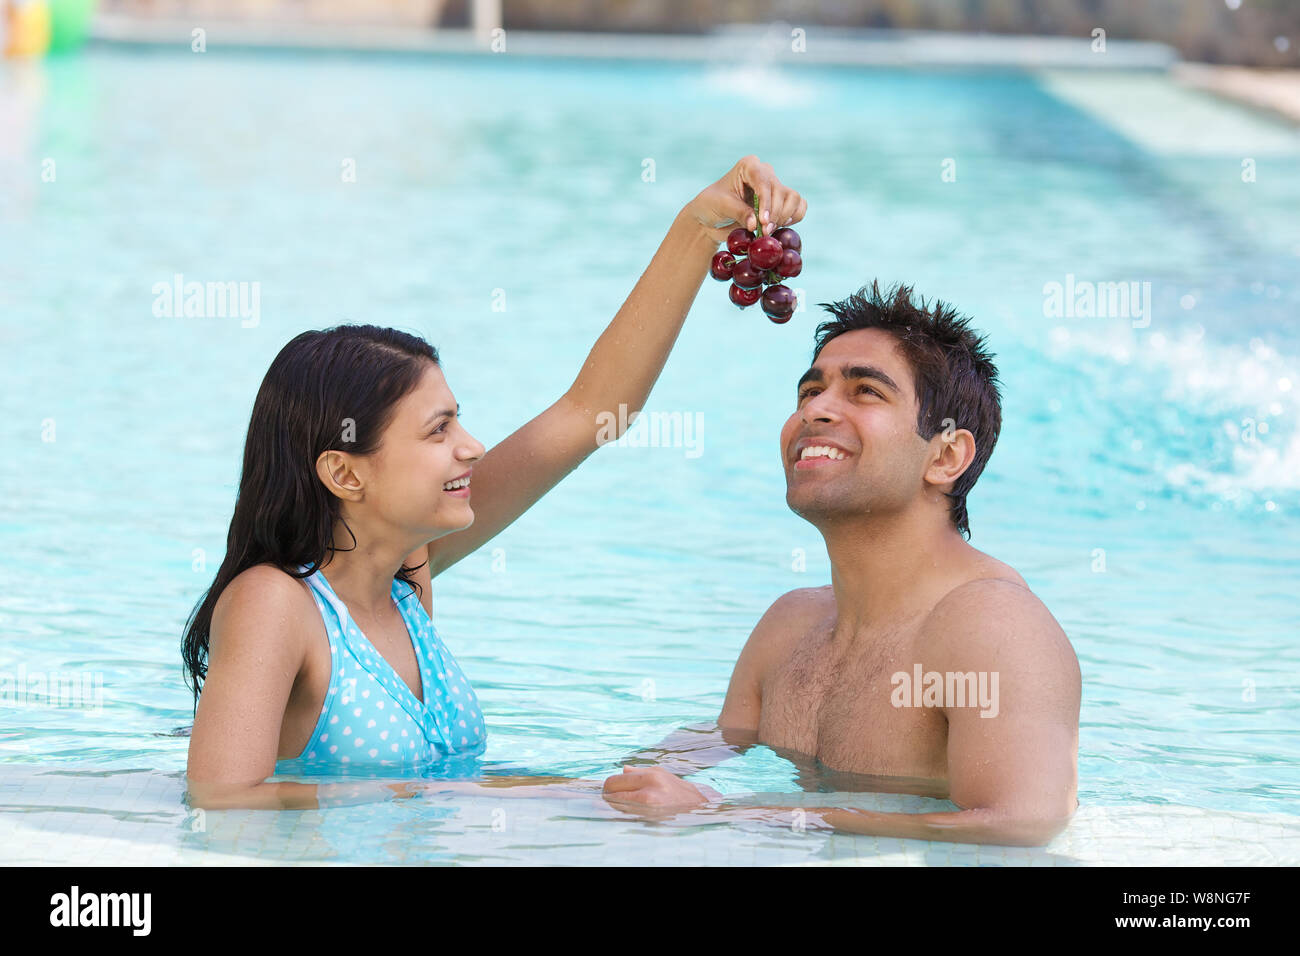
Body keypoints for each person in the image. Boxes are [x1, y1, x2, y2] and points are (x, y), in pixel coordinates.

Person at [182, 156, 807, 810]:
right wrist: (496, 799)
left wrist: (698, 228)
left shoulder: (405, 582)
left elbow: (592, 411)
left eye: (461, 421)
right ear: (344, 470)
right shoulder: (274, 605)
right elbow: (223, 802)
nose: (472, 447)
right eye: (438, 430)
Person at [601, 281, 1082, 847]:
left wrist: (731, 816)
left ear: (946, 455)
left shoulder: (991, 624)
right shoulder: (792, 624)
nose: (816, 411)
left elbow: (1021, 825)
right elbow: (719, 743)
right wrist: (606, 784)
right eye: (810, 391)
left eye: (865, 393)